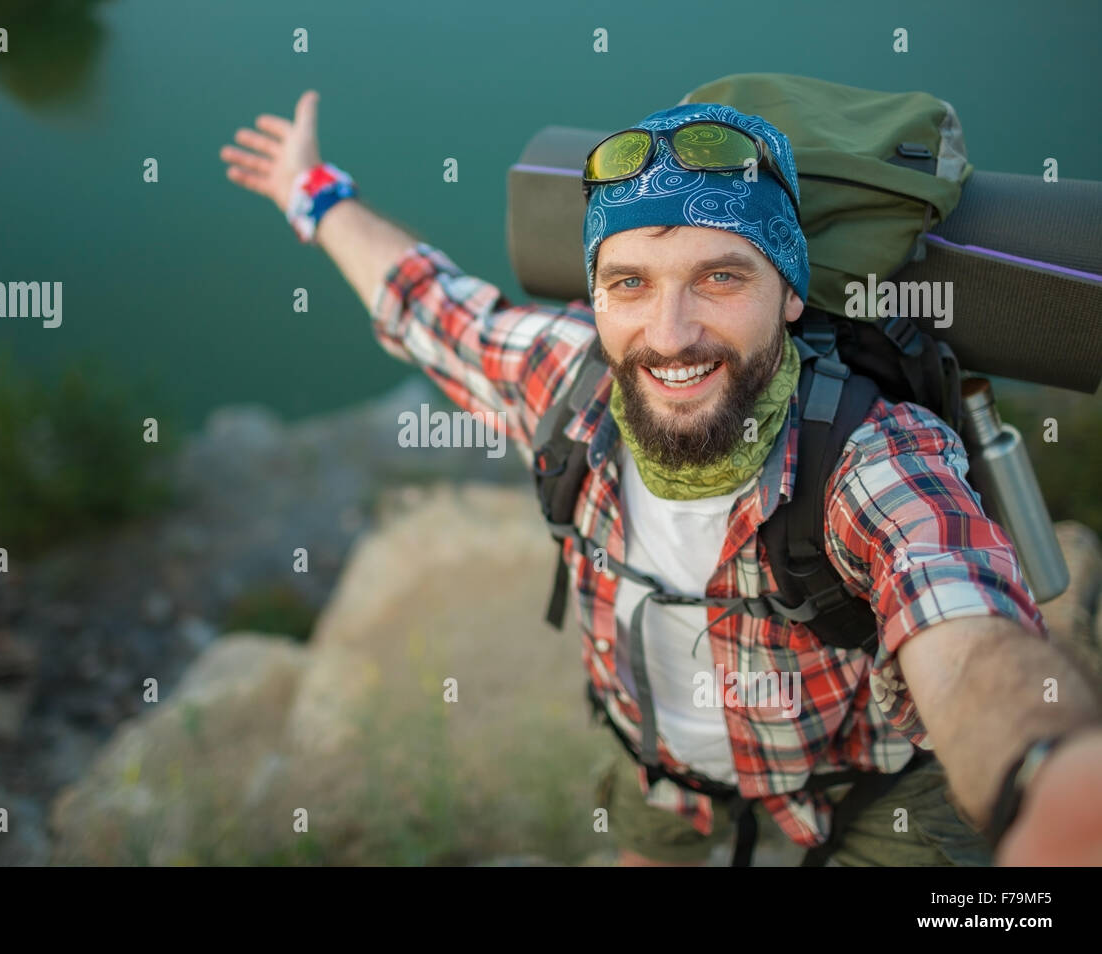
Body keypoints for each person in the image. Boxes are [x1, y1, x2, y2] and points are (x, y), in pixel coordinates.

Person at [221, 89, 1102, 866]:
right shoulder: (569, 383)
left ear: (791, 293)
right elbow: (426, 303)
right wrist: (315, 193)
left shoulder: (874, 455)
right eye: (630, 283)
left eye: (721, 277)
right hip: (658, 766)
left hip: (860, 790)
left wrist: (1039, 774)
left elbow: (958, 621)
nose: (670, 333)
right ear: (593, 297)